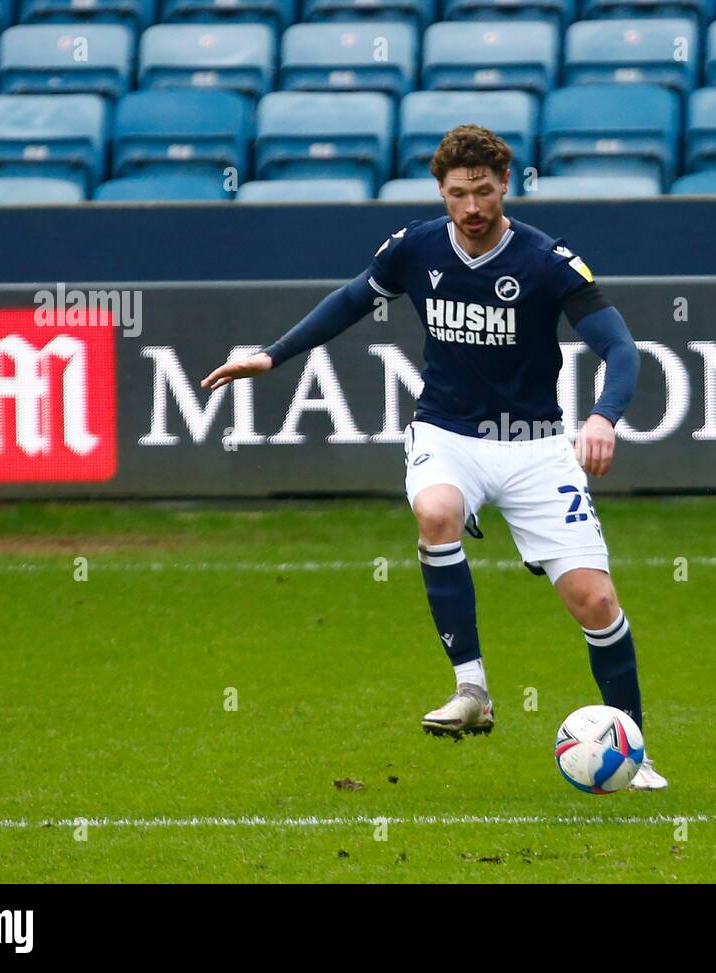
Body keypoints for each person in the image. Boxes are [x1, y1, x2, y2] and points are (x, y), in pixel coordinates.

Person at [201, 125, 667, 790]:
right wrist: (272, 354)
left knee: (595, 601)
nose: (472, 206)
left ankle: (636, 751)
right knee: (437, 512)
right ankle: (471, 689)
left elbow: (622, 348)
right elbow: (351, 301)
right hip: (446, 433)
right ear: (440, 192)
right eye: (458, 193)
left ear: (506, 184)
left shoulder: (546, 261)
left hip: (536, 447)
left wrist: (602, 415)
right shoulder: (415, 248)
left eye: (483, 191)